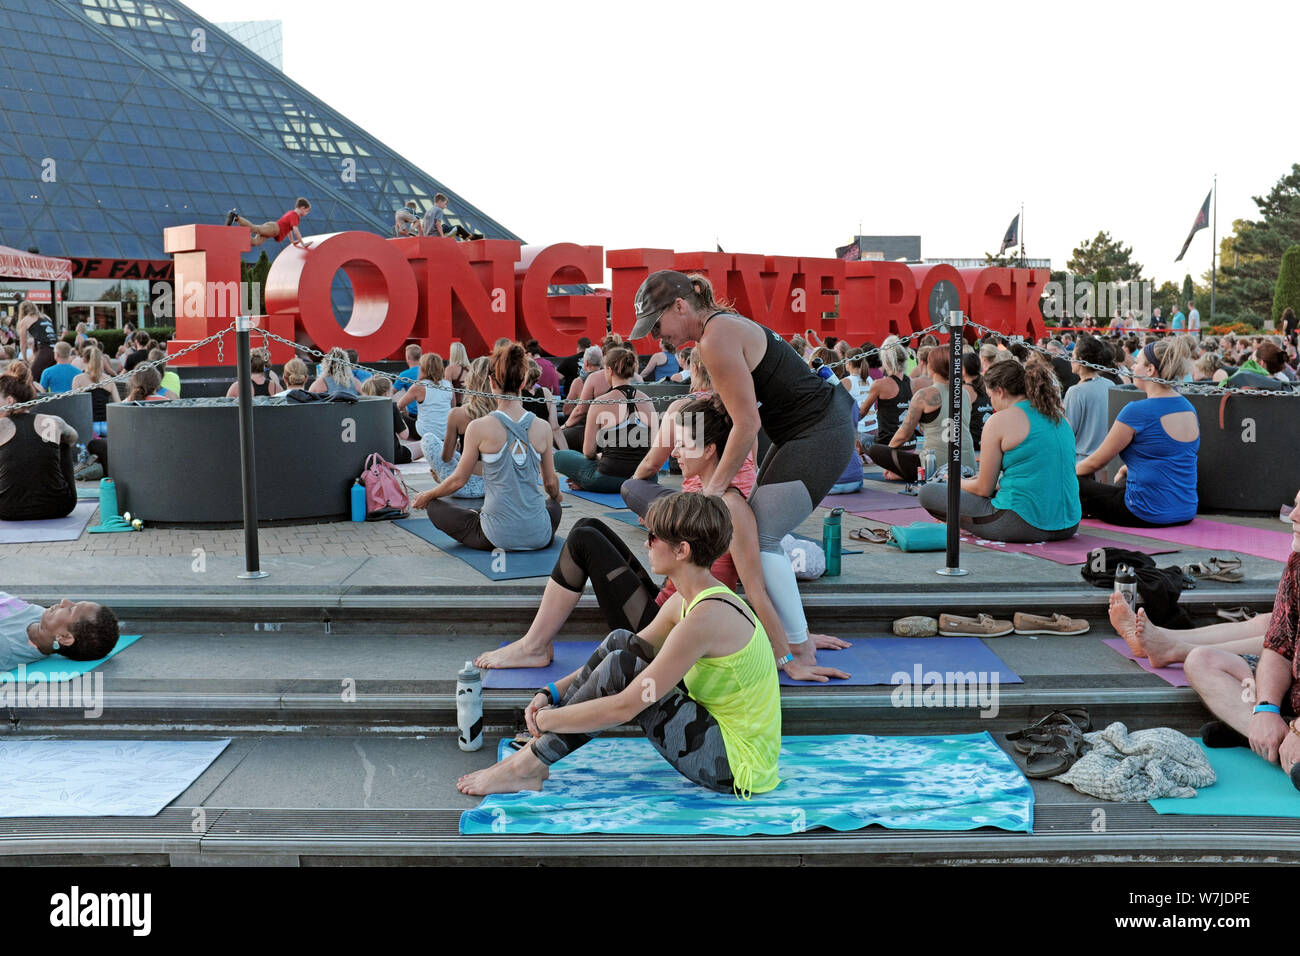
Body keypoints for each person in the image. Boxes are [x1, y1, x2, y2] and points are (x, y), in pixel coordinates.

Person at [477, 399, 847, 682]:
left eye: (683, 444)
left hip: (673, 631)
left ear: (709, 450)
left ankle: (535, 645)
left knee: (586, 535)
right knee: (588, 529)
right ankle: (534, 644)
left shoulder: (732, 507)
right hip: (662, 610)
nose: (675, 452)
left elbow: (755, 589)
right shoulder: (702, 491)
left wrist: (790, 655)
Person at [456, 492, 782, 798]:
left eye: (654, 537)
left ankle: (527, 764)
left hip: (737, 767)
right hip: (717, 736)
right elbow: (625, 648)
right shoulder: (688, 601)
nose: (646, 543)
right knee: (621, 642)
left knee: (622, 666)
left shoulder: (704, 619)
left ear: (681, 550)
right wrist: (550, 693)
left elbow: (626, 706)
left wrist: (545, 720)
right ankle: (531, 760)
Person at [631, 270, 854, 670]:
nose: (656, 337)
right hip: (806, 430)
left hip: (819, 432)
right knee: (753, 529)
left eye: (657, 324)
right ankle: (793, 636)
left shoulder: (716, 336)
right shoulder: (719, 329)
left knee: (762, 535)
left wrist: (713, 491)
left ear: (680, 306)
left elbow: (746, 423)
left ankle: (798, 650)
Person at [1173, 489, 1300, 777]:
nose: (1292, 516)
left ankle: (1277, 744)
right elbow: (1277, 647)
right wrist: (1266, 709)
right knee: (1201, 661)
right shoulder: (1297, 563)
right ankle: (1273, 742)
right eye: (1294, 506)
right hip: (1292, 697)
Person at [413, 343, 563, 551]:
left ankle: (488, 520)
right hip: (540, 534)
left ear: (492, 382)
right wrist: (556, 497)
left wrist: (428, 495)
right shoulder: (543, 427)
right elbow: (550, 483)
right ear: (522, 384)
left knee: (435, 506)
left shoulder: (478, 427)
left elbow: (458, 480)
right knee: (554, 506)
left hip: (496, 537)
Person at [922, 355, 1080, 542]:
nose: (991, 403)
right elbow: (1036, 472)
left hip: (1021, 523)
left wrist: (953, 480)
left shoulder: (999, 421)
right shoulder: (1058, 417)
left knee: (929, 492)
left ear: (1000, 391)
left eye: (990, 397)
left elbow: (983, 489)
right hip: (1068, 524)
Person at [1076, 337, 1198, 527]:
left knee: (1073, 481)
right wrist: (1127, 468)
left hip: (1142, 512)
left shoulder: (1137, 411)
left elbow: (1095, 462)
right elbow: (1169, 454)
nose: (1133, 367)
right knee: (1121, 480)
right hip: (1185, 510)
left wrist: (1067, 475)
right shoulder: (1188, 407)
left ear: (1150, 370)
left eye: (1138, 362)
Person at [553, 347, 657, 493]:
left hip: (607, 478)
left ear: (609, 370)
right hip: (644, 479)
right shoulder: (647, 401)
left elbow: (588, 452)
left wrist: (600, 457)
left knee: (560, 456)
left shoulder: (601, 403)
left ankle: (585, 482)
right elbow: (654, 447)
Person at [867, 347, 975, 483]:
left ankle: (903, 473)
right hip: (968, 464)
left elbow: (903, 435)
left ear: (932, 367)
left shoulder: (924, 395)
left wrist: (891, 461)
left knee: (874, 449)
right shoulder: (965, 393)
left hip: (934, 466)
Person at [0, 363, 78, 521]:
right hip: (59, 506)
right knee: (63, 441)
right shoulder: (53, 421)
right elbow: (73, 437)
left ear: (9, 400)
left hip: (8, 509)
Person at [0, 592, 120, 673]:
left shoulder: (6, 647)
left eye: (70, 609)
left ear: (65, 637)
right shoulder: (40, 615)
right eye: (74, 603)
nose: (64, 601)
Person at [436, 357, 491, 497]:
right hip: (499, 483)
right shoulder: (506, 412)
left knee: (429, 440)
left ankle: (443, 479)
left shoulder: (457, 414)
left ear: (471, 379)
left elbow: (446, 457)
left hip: (469, 484)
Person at [1063, 335, 1116, 462]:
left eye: (1073, 356)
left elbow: (1068, 432)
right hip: (1107, 458)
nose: (1070, 360)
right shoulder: (1110, 385)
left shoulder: (1075, 392)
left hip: (1082, 461)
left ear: (1081, 360)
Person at [556, 345, 603, 448]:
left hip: (584, 429)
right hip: (606, 428)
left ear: (585, 363)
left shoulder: (579, 381)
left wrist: (565, 426)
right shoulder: (608, 379)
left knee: (553, 439)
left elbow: (567, 410)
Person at [360, 376, 413, 464]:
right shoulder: (391, 407)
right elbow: (404, 435)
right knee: (423, 444)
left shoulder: (361, 407)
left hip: (368, 456)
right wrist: (400, 417)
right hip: (392, 455)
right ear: (387, 393)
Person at [71, 346, 120, 438]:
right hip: (107, 424)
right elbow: (118, 403)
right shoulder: (108, 379)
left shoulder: (78, 379)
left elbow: (75, 406)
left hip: (89, 423)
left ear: (84, 359)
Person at [227, 198, 312, 250]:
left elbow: (289, 230)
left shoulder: (291, 214)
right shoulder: (295, 215)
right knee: (255, 229)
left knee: (255, 242)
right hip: (274, 228)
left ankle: (239, 235)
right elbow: (295, 230)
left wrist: (292, 241)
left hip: (273, 231)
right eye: (307, 211)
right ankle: (236, 217)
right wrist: (303, 243)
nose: (306, 214)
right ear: (302, 208)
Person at [17, 302, 59, 383]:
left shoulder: (26, 320)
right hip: (56, 348)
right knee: (51, 377)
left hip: (46, 349)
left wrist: (25, 359)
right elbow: (42, 336)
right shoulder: (45, 317)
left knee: (32, 377)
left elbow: (23, 343)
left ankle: (36, 395)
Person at [963, 353, 994, 452]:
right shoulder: (985, 384)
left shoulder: (965, 390)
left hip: (973, 443)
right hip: (987, 440)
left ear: (963, 370)